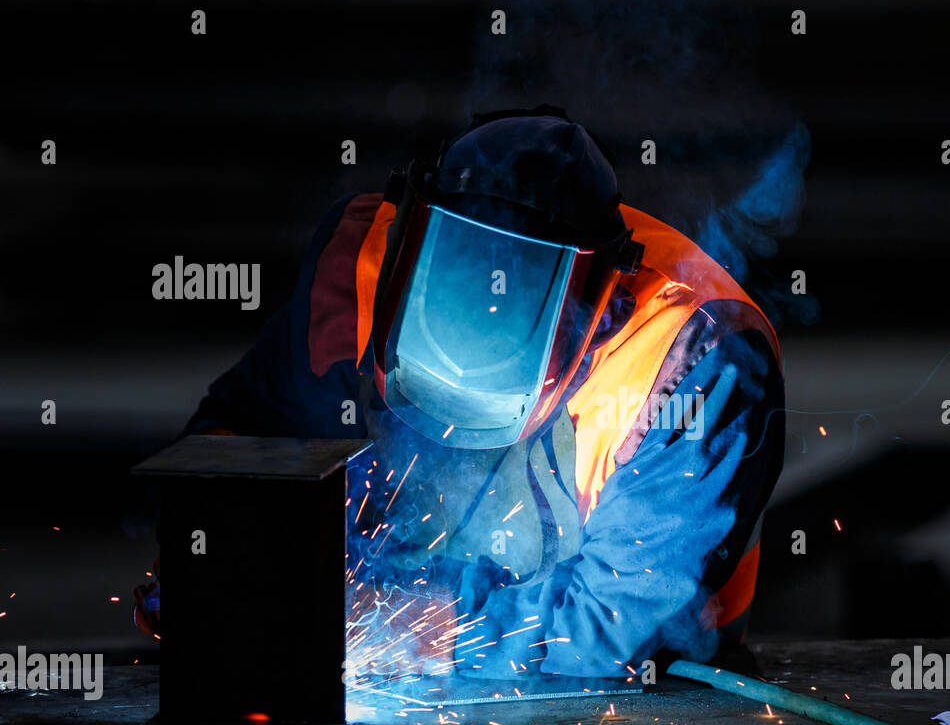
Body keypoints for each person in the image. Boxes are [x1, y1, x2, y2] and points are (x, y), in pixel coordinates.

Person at [136, 105, 784, 681]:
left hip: (633, 711)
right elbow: (243, 433)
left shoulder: (696, 357)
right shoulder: (358, 264)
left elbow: (613, 620)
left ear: (597, 314)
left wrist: (410, 624)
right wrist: (212, 545)